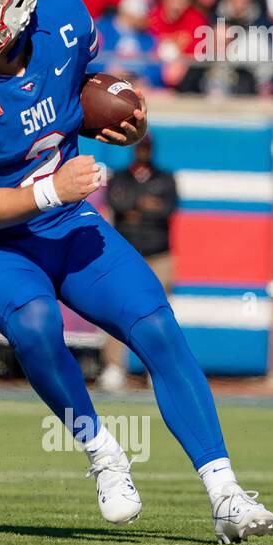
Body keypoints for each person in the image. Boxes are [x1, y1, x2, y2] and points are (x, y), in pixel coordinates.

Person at [0, 0, 273, 543]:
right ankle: (103, 452)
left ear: (17, 1)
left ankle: (226, 494)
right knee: (37, 326)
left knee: (157, 327)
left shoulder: (67, 18)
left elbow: (84, 82)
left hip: (70, 227)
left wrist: (116, 115)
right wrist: (53, 189)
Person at [100, 135, 178, 391]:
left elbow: (167, 210)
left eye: (147, 148)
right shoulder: (121, 177)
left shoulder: (164, 179)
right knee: (117, 310)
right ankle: (114, 367)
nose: (143, 152)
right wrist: (141, 205)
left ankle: (155, 371)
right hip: (127, 253)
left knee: (156, 314)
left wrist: (138, 210)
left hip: (158, 253)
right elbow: (118, 204)